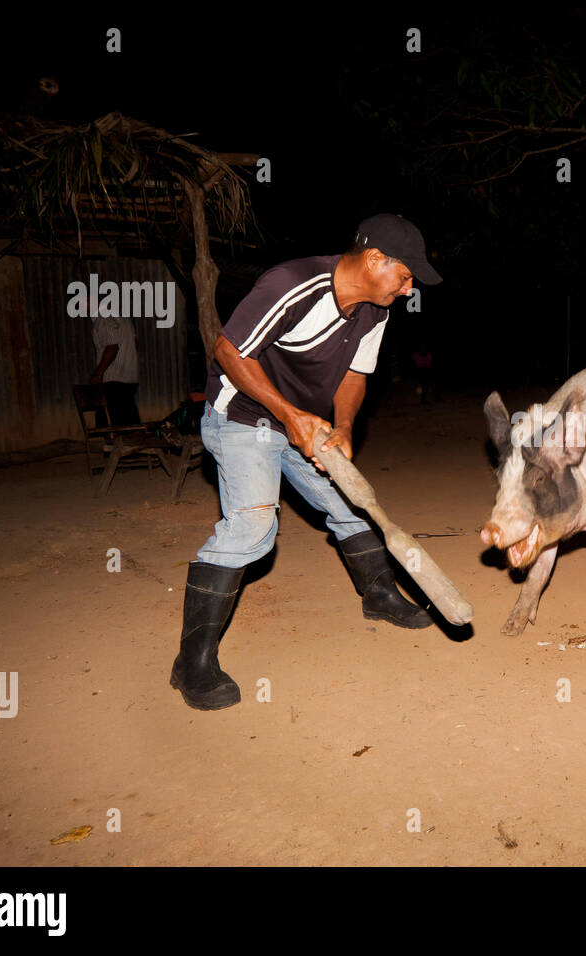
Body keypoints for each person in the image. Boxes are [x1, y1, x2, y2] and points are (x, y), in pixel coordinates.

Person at [170, 214, 443, 711]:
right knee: (253, 530)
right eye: (406, 277)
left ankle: (379, 597)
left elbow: (355, 378)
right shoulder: (292, 284)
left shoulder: (374, 312)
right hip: (242, 417)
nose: (408, 290)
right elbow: (228, 351)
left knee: (356, 503)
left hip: (304, 425)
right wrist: (289, 415)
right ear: (375, 259)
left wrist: (342, 428)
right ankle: (193, 660)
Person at [89, 299, 142, 426]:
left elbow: (112, 347)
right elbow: (135, 343)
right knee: (129, 423)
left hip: (113, 379)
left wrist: (98, 374)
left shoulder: (103, 319)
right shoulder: (121, 316)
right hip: (129, 378)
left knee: (110, 425)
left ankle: (114, 444)